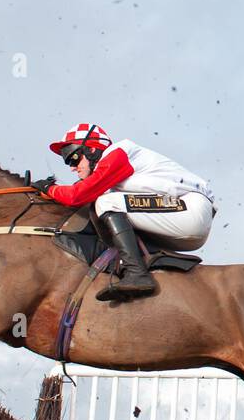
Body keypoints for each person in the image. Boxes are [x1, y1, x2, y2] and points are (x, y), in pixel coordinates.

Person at [33, 123, 216, 302]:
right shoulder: (110, 172)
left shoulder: (118, 153)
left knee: (106, 203)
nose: (72, 167)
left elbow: (77, 195)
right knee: (103, 203)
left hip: (189, 210)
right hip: (180, 219)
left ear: (92, 150)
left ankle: (136, 272)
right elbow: (78, 195)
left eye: (73, 158)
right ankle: (132, 263)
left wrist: (50, 188)